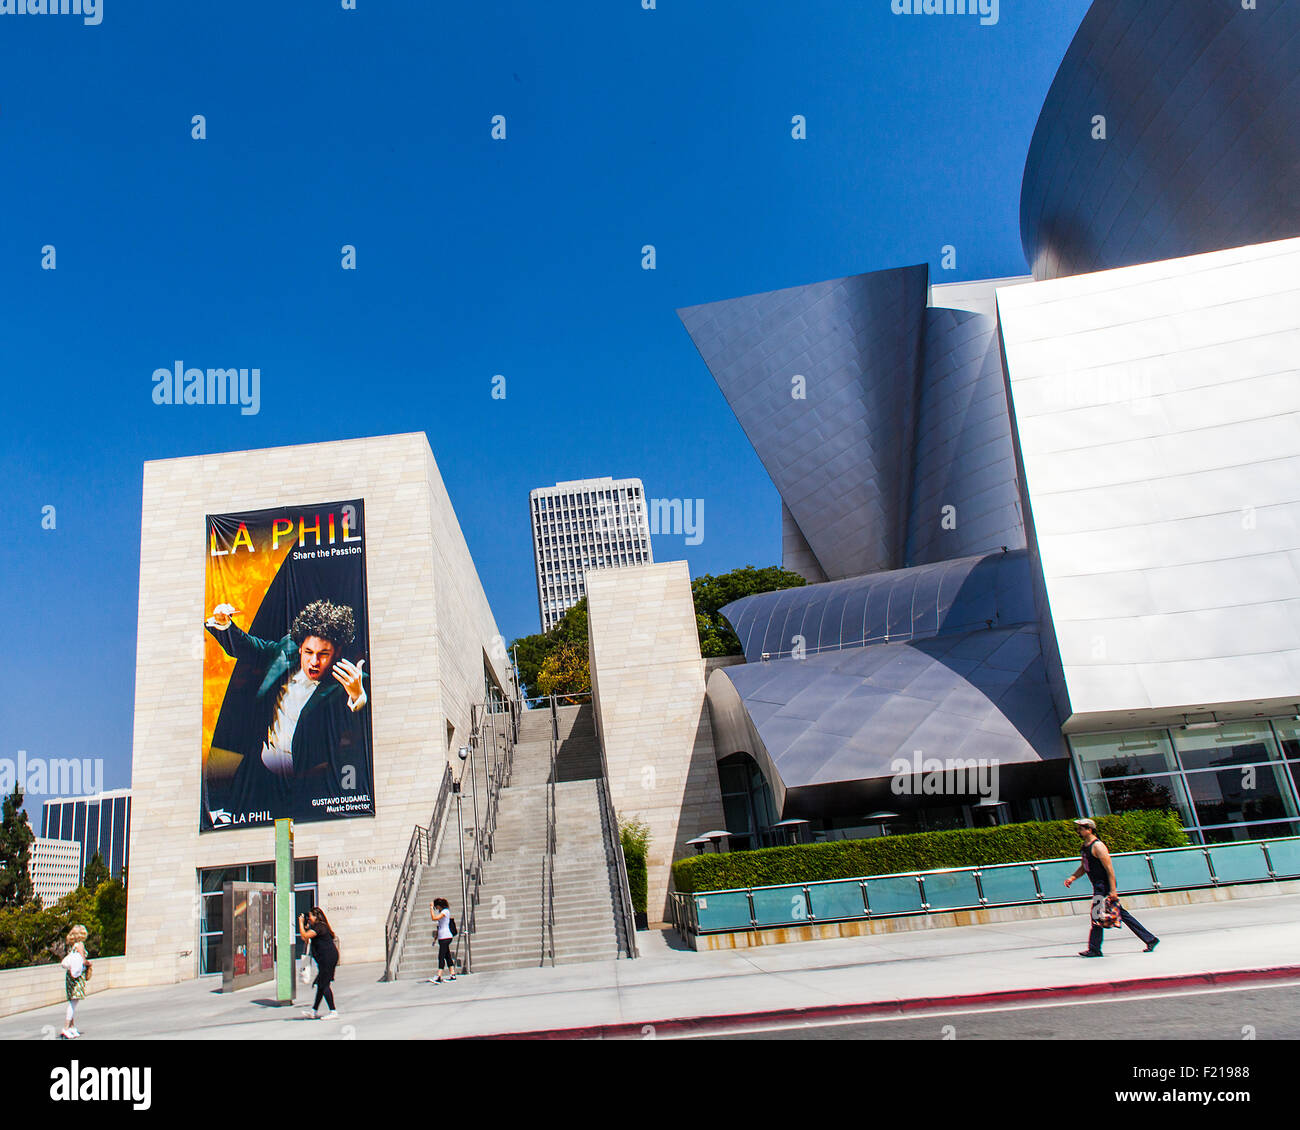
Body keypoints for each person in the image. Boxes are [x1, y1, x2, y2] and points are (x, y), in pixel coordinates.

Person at [205, 598, 370, 824]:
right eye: (309, 652)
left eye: (323, 654)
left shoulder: (349, 681)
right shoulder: (284, 652)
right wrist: (225, 624)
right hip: (258, 773)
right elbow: (249, 646)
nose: (314, 661)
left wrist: (357, 696)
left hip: (309, 784)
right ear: (300, 647)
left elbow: (361, 728)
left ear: (337, 652)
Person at [1065, 818, 1159, 957]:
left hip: (1104, 886)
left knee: (1096, 915)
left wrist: (1113, 891)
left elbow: (1109, 869)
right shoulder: (1085, 846)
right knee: (1121, 914)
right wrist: (1072, 877)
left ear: (1089, 829)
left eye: (1080, 828)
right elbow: (1085, 866)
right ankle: (1150, 939)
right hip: (1098, 885)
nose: (1078, 831)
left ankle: (1095, 948)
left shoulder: (1098, 846)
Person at [298, 907, 340, 1019]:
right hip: (325, 958)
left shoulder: (320, 926)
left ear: (316, 916)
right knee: (321, 985)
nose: (309, 918)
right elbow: (306, 939)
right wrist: (306, 927)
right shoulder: (317, 927)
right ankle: (314, 1011)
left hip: (328, 958)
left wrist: (300, 923)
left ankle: (333, 1011)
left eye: (310, 916)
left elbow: (304, 936)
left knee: (324, 984)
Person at [59, 925, 92, 1039]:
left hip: (70, 975)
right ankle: (66, 1027)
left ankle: (72, 1027)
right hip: (77, 977)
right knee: (73, 1003)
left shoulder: (72, 946)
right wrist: (89, 963)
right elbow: (83, 961)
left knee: (72, 1000)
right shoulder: (80, 945)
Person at [429, 898, 457, 983]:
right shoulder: (441, 912)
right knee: (447, 956)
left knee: (441, 956)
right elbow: (439, 926)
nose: (436, 908)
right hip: (442, 937)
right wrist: (436, 938)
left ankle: (439, 975)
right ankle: (452, 974)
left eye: (436, 907)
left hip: (446, 936)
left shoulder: (445, 912)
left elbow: (434, 918)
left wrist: (431, 908)